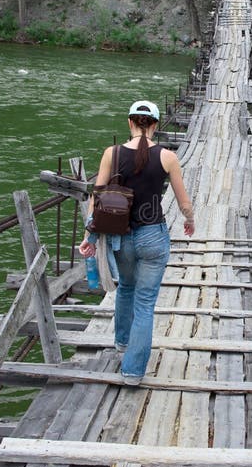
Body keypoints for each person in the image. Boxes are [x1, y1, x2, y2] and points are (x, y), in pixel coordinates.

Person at [79, 100, 195, 385]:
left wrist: (89, 236)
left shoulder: (112, 153)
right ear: (155, 125)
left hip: (122, 237)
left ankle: (121, 343)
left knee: (126, 288)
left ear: (130, 123)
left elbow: (97, 197)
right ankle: (132, 371)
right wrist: (189, 219)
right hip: (153, 236)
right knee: (145, 303)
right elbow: (183, 201)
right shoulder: (168, 157)